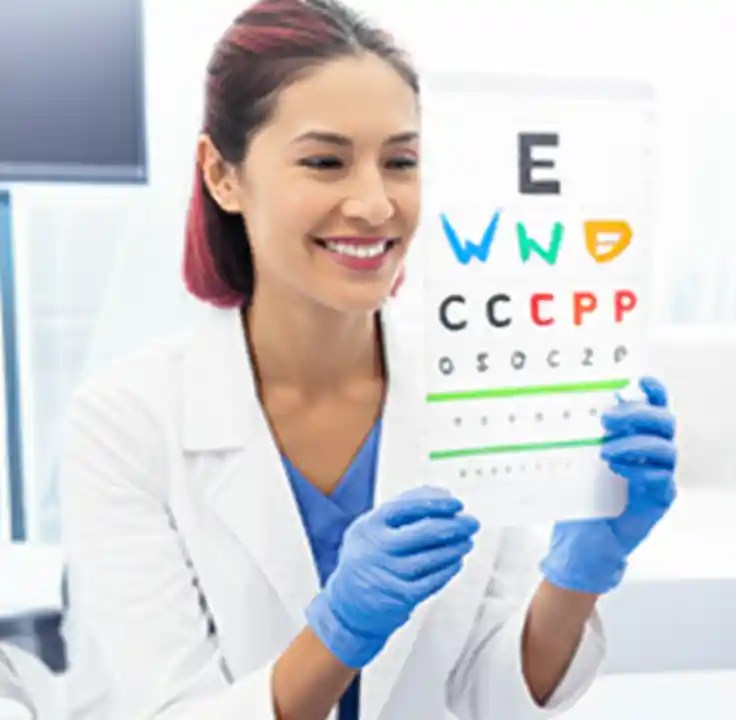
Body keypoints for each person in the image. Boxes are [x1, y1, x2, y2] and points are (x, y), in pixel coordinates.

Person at [58, 1, 678, 718]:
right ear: (223, 175)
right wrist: (340, 633)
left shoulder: (470, 387)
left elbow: (491, 695)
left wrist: (582, 572)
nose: (376, 204)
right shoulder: (126, 423)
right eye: (325, 162)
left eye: (401, 162)